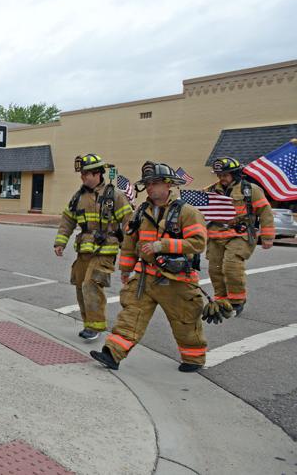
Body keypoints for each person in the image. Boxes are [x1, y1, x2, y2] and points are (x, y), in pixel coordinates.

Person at [91, 161, 209, 372]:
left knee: (185, 322)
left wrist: (161, 245)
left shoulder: (187, 212)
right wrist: (126, 271)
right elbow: (128, 244)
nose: (151, 187)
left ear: (168, 185)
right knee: (130, 316)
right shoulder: (140, 212)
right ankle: (112, 354)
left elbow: (199, 243)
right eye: (148, 183)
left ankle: (194, 359)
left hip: (177, 282)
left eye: (155, 183)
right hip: (145, 277)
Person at [54, 154, 133, 340]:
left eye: (85, 174)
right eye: (81, 174)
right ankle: (89, 324)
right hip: (84, 251)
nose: (82, 178)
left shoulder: (114, 196)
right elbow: (67, 220)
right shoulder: (78, 197)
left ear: (97, 173)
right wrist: (60, 242)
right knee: (80, 286)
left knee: (91, 285)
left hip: (105, 252)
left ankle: (96, 327)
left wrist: (131, 253)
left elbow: (129, 224)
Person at [204, 157, 275, 316]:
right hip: (216, 236)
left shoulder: (250, 190)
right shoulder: (211, 190)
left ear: (235, 174)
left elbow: (265, 211)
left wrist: (268, 236)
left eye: (225, 174)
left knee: (231, 266)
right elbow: (199, 212)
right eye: (219, 174)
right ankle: (221, 300)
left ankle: (236, 301)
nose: (221, 178)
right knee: (214, 269)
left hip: (240, 235)